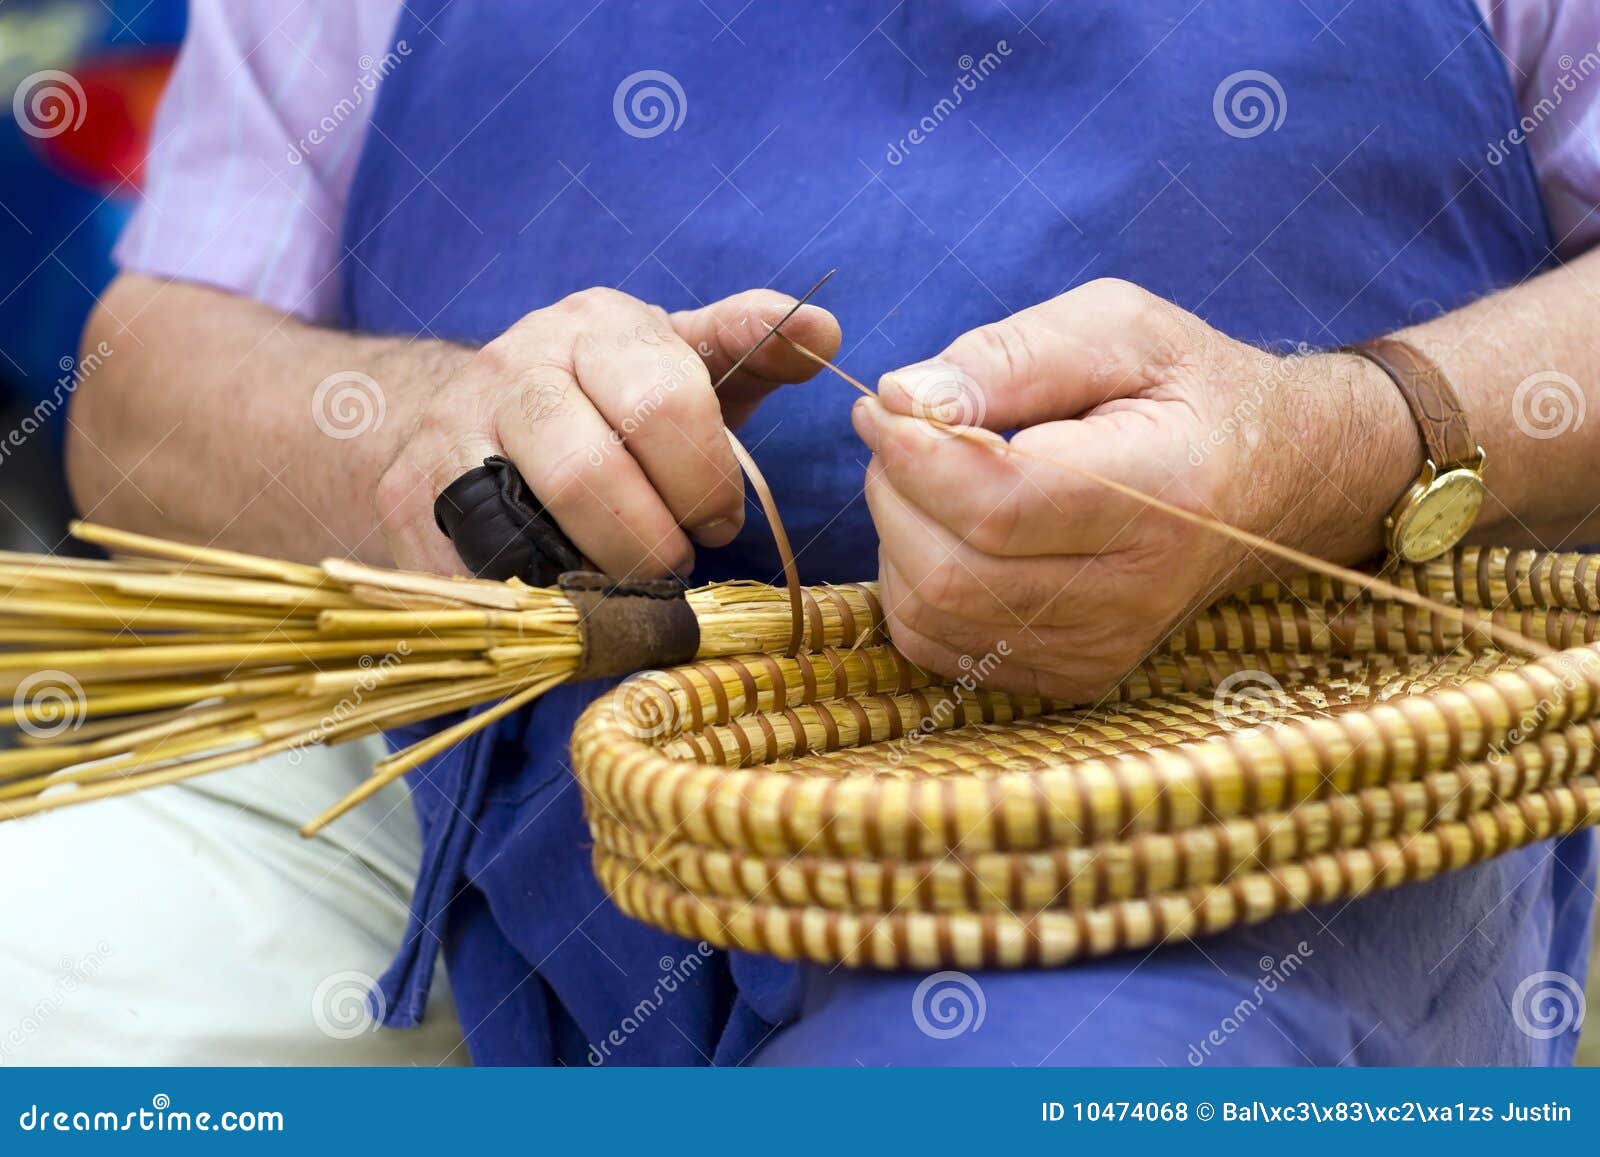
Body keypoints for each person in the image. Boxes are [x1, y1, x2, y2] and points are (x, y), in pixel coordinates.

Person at [56, 0, 1600, 1064]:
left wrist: (1336, 437)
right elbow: (133, 399)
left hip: (1243, 840)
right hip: (484, 786)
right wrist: (416, 427)